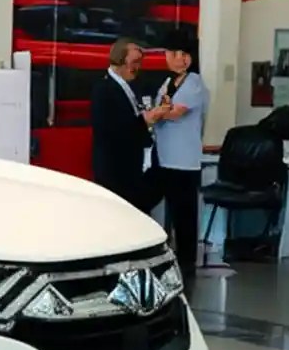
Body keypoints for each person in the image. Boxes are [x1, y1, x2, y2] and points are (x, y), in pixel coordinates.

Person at [151, 30, 208, 278]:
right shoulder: (167, 82)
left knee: (185, 216)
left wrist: (158, 111)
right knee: (168, 212)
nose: (180, 59)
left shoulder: (193, 82)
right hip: (164, 158)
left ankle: (186, 264)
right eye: (175, 53)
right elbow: (160, 110)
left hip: (184, 162)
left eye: (185, 54)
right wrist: (159, 111)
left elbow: (174, 112)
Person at [89, 37, 168, 212]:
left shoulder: (133, 86)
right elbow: (109, 129)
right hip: (114, 169)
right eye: (134, 62)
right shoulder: (103, 89)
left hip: (132, 166)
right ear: (119, 61)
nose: (137, 67)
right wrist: (144, 120)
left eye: (140, 62)